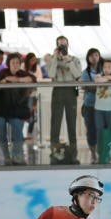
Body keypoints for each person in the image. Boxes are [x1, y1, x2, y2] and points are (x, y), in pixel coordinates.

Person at [0, 52, 36, 165]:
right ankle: (6, 156)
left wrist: (16, 80)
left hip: (16, 110)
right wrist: (6, 80)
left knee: (18, 132)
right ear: (8, 64)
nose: (15, 64)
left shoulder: (22, 74)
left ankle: (17, 156)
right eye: (13, 62)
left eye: (18, 62)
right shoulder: (3, 73)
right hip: (1, 108)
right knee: (2, 134)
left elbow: (32, 79)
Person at [44, 36, 82, 164]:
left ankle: (73, 153)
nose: (62, 48)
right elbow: (50, 74)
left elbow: (77, 75)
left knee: (72, 123)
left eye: (64, 46)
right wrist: (55, 58)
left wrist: (68, 60)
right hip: (58, 90)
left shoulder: (74, 59)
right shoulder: (51, 59)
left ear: (68, 46)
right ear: (56, 46)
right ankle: (54, 151)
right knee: (56, 122)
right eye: (60, 46)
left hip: (71, 91)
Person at [94, 59, 111, 164]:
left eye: (109, 67)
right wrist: (106, 78)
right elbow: (97, 80)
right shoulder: (98, 75)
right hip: (98, 109)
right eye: (105, 67)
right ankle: (101, 153)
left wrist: (105, 78)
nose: (106, 69)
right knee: (99, 131)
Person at [81, 48, 101, 164]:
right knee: (91, 130)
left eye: (96, 55)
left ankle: (101, 151)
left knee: (101, 129)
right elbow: (85, 86)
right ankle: (93, 153)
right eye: (91, 56)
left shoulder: (104, 70)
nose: (94, 58)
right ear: (88, 58)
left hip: (102, 104)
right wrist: (99, 86)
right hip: (90, 105)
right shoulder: (86, 72)